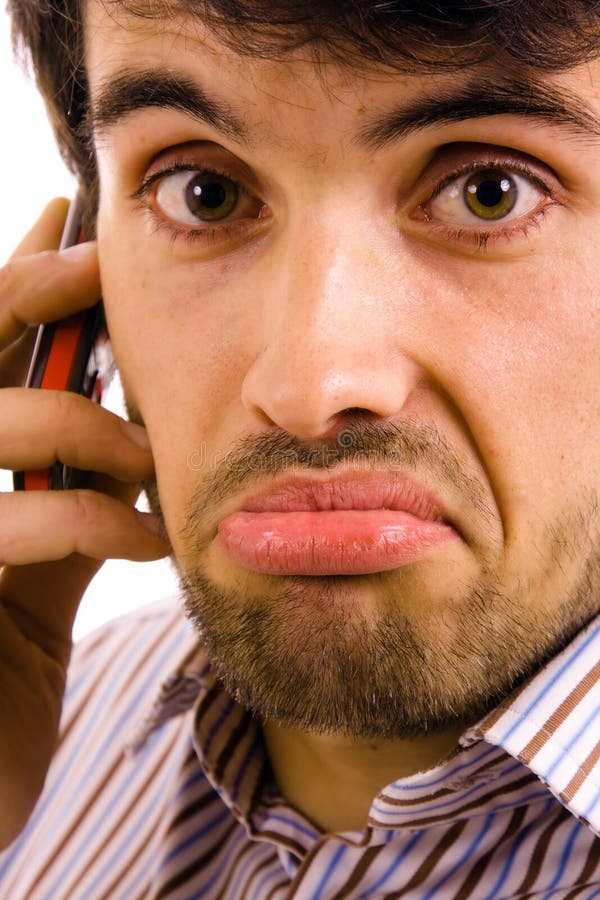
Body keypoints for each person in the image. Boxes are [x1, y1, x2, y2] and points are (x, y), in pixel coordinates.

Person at [0, 0, 598, 896]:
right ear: (86, 288)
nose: (310, 389)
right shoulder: (47, 727)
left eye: (490, 189)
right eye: (203, 192)